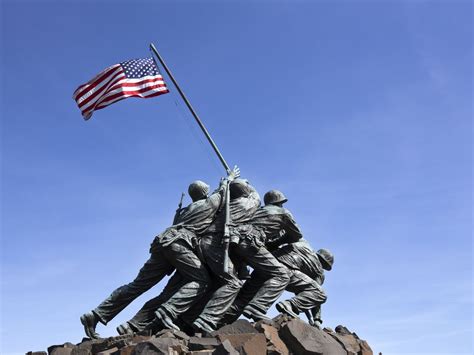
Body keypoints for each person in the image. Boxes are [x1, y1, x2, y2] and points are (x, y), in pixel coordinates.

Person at [80, 169, 238, 339]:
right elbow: (223, 191)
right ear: (205, 192)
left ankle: (97, 313)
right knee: (201, 280)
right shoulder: (209, 204)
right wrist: (229, 178)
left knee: (138, 285)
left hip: (162, 243)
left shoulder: (183, 212)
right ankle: (168, 312)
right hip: (179, 244)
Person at [193, 188, 303, 332]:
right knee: (281, 274)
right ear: (280, 202)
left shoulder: (257, 211)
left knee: (229, 283)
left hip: (235, 242)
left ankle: (206, 319)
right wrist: (276, 242)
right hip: (251, 243)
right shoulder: (283, 213)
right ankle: (257, 308)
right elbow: (296, 235)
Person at [223, 240, 333, 329]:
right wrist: (316, 319)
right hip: (285, 271)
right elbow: (314, 295)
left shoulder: (302, 243)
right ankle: (288, 305)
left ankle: (218, 323)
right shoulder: (319, 271)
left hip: (267, 264)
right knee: (320, 293)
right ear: (325, 264)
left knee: (241, 300)